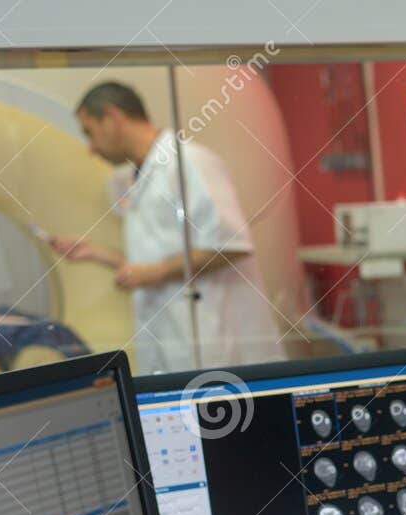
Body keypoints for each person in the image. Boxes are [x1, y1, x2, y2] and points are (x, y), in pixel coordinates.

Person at [49, 81, 284, 373]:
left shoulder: (189, 162)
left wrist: (154, 273)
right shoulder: (132, 177)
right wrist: (95, 253)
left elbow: (230, 245)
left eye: (90, 132)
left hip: (217, 341)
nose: (91, 148)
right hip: (173, 339)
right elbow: (157, 257)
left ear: (112, 117)